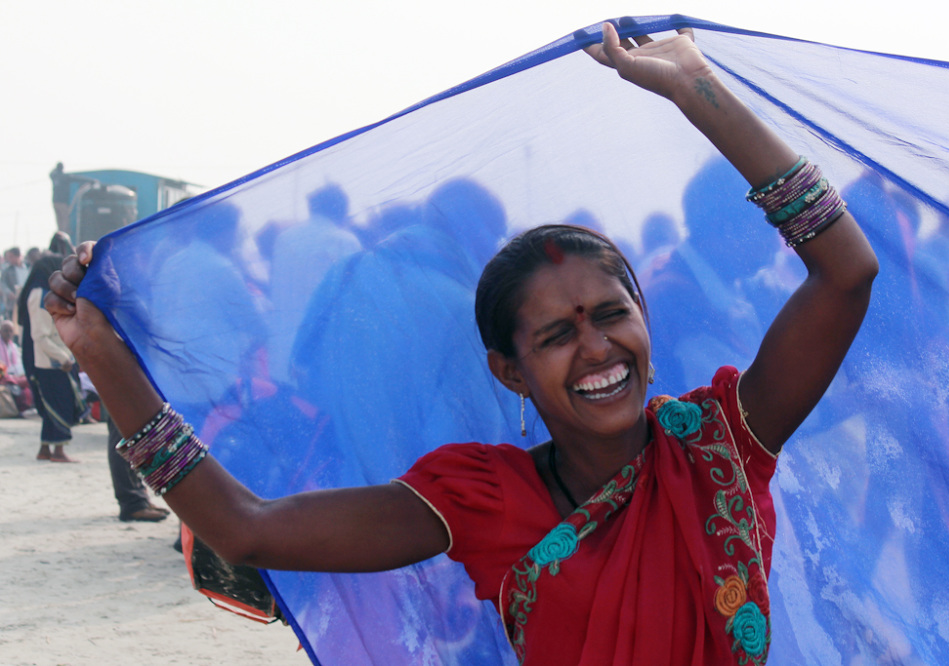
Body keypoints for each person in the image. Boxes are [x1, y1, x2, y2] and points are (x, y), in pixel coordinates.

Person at [45, 25, 878, 665]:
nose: (596, 348)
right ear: (507, 371)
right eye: (556, 334)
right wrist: (102, 357)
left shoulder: (723, 442)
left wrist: (697, 89)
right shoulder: (482, 496)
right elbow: (248, 529)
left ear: (644, 323)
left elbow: (844, 274)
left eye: (609, 314)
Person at [21, 252, 85, 462]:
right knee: (60, 404)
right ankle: (58, 450)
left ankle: (45, 449)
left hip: (54, 358)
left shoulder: (43, 292)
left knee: (51, 406)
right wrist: (63, 357)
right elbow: (40, 334)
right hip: (51, 362)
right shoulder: (40, 294)